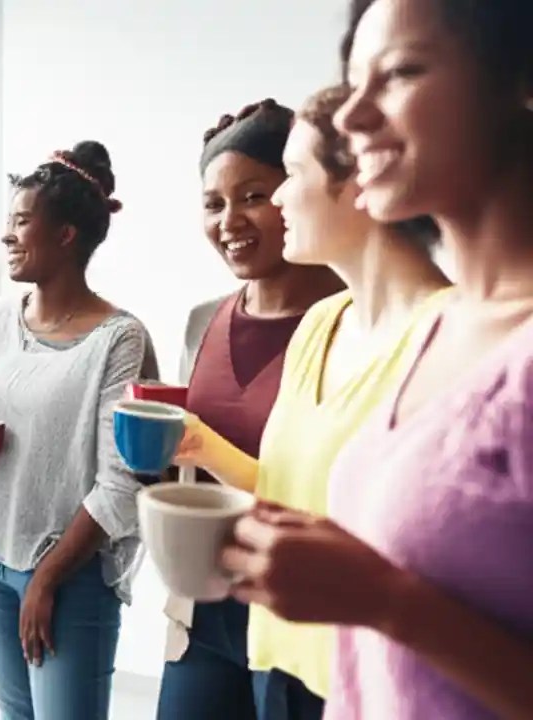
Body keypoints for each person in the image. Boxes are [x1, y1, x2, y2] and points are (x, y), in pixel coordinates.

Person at [221, 0, 533, 717]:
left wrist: (387, 601)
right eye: (355, 79)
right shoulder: (443, 326)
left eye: (399, 73)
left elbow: (397, 598)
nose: (353, 116)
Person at [172, 84, 451, 720]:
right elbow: (282, 486)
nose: (277, 200)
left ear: (361, 182)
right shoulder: (323, 324)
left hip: (366, 674)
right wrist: (192, 442)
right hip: (279, 651)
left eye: (289, 177)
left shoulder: (448, 337)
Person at [0, 141, 158, 719]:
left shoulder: (120, 339)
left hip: (70, 573)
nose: (6, 235)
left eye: (20, 221)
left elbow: (121, 484)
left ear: (65, 235)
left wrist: (46, 580)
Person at [156, 99, 345, 720]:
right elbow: (189, 464)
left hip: (299, 616)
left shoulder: (352, 323)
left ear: (296, 193)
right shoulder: (200, 322)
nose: (229, 220)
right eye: (213, 204)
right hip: (203, 606)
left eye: (253, 196)